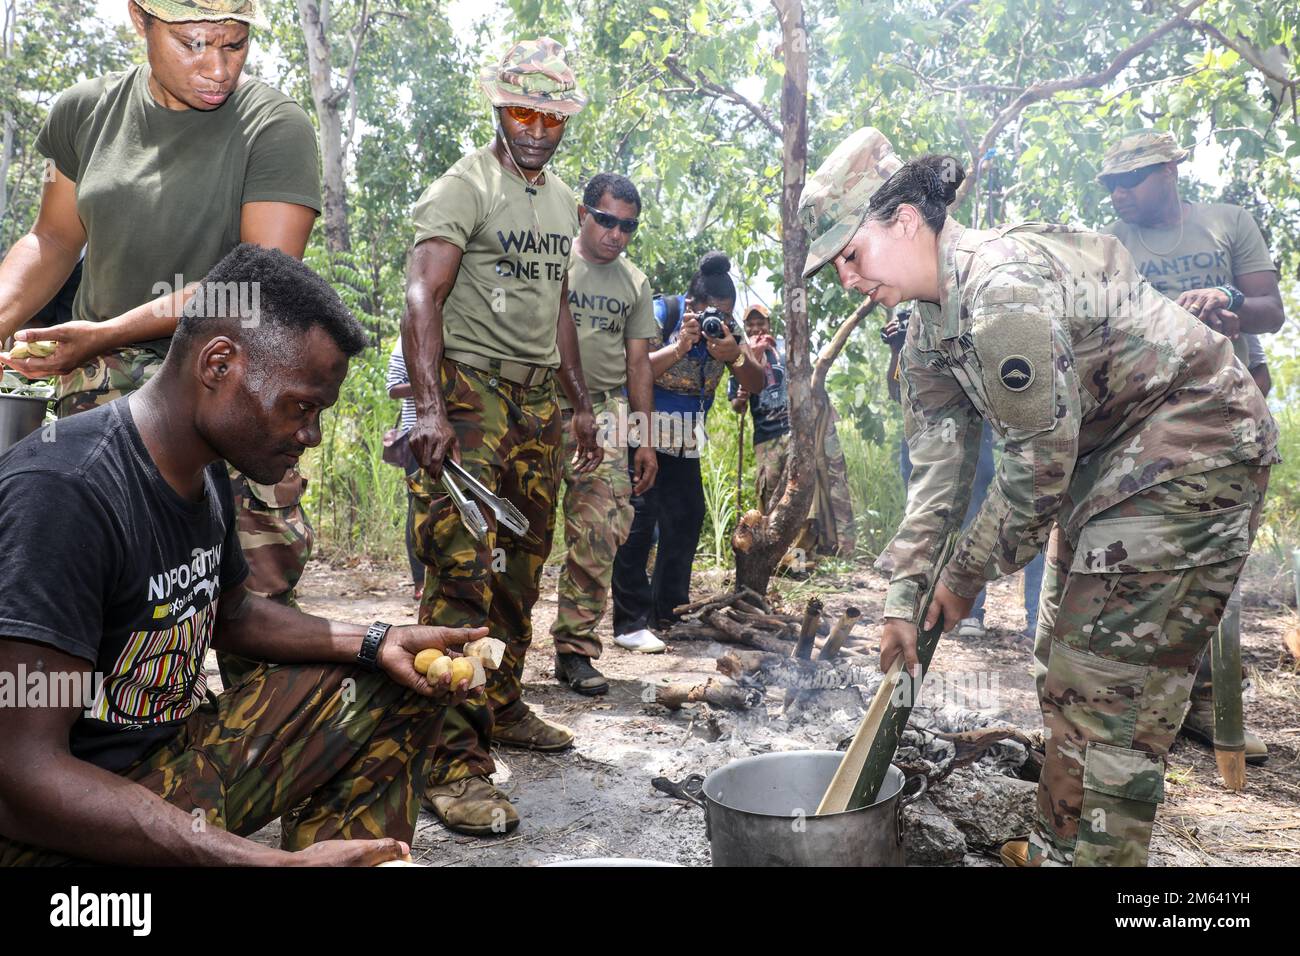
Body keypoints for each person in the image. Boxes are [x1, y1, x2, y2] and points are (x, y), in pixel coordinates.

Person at [803, 126, 1277, 867]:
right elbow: (938, 473)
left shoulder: (1000, 295)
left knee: (1110, 694)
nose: (847, 281)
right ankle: (1062, 847)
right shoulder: (928, 327)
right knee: (1061, 664)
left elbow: (1034, 472)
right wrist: (905, 595)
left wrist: (960, 581)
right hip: (1112, 465)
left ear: (901, 221)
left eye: (849, 255)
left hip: (1193, 444)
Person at [0, 245, 486, 866]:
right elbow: (22, 777)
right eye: (301, 406)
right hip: (59, 827)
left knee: (398, 680)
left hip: (167, 769)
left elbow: (232, 615)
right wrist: (251, 862)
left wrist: (377, 638)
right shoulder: (64, 492)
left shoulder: (202, 475)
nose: (310, 435)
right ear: (219, 363)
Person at [0, 0, 323, 684]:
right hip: (99, 399)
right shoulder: (85, 112)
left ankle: (267, 769)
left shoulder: (276, 127)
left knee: (255, 607)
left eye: (235, 45)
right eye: (194, 43)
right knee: (99, 610)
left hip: (231, 390)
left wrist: (106, 332)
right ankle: (110, 770)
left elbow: (255, 283)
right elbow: (53, 239)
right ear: (139, 20)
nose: (218, 68)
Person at [402, 37, 601, 836]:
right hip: (469, 393)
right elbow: (424, 292)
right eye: (522, 111)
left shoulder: (562, 200)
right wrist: (428, 407)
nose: (536, 128)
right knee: (460, 568)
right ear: (497, 107)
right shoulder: (465, 184)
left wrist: (580, 401)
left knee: (525, 560)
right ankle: (449, 762)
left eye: (551, 116)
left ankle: (506, 701)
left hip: (536, 404)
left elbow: (559, 309)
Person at [1099, 129, 1287, 765]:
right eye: (1110, 184)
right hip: (1148, 423)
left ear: (1170, 173)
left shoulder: (1226, 224)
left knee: (1214, 571)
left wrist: (1228, 302)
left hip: (1231, 410)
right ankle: (1152, 708)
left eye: (1131, 180)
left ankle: (1211, 705)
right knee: (1146, 569)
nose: (1118, 193)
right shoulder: (1111, 246)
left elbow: (1271, 310)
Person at [611, 252, 765, 641]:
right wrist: (680, 347)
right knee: (639, 522)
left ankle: (669, 611)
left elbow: (759, 382)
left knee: (686, 518)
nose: (719, 323)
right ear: (693, 305)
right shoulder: (662, 312)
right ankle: (630, 621)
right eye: (712, 314)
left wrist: (735, 356)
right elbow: (634, 371)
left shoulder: (729, 332)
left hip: (684, 439)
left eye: (726, 316)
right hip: (641, 430)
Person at [550, 173, 660, 694]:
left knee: (598, 535)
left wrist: (644, 439)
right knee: (516, 533)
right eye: (608, 220)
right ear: (582, 214)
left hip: (609, 416)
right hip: (540, 408)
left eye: (629, 227)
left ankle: (574, 650)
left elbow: (639, 366)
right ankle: (498, 649)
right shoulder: (553, 265)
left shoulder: (634, 283)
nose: (617, 234)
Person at [729, 303, 857, 561]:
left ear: (769, 325)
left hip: (794, 432)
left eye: (760, 323)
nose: (756, 328)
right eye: (751, 325)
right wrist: (742, 395)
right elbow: (737, 406)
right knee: (772, 496)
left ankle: (803, 557)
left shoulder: (785, 351)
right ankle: (775, 556)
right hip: (766, 437)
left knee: (799, 495)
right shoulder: (740, 358)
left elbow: (809, 382)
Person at [387, 336, 425, 603]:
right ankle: (420, 581)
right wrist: (431, 386)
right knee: (418, 510)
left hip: (461, 437)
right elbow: (393, 387)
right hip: (417, 438)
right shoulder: (407, 338)